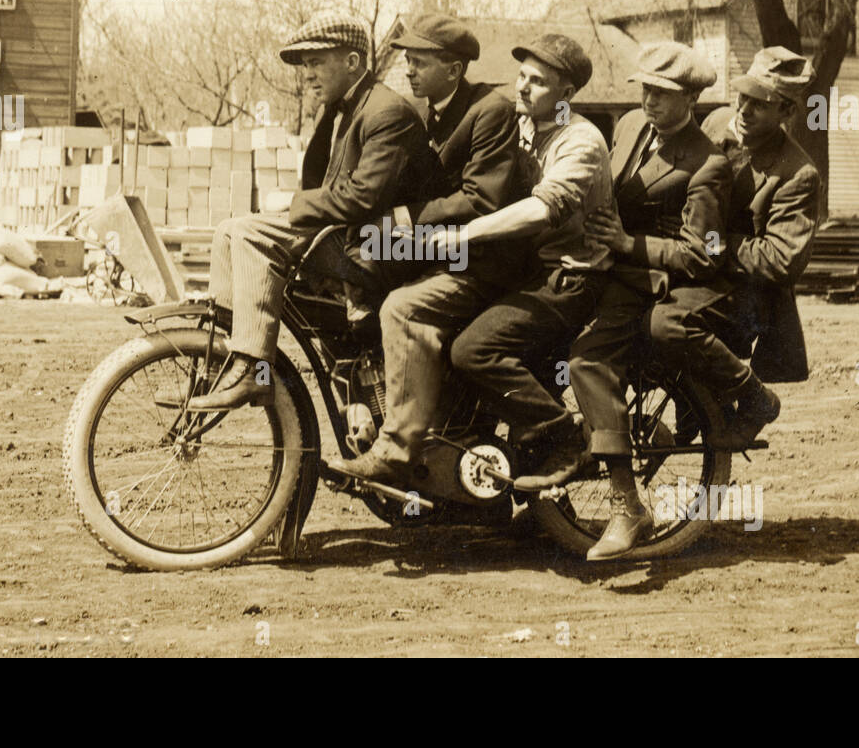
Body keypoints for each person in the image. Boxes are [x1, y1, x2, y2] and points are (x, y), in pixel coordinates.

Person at [328, 34, 614, 486]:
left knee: (473, 350)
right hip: (525, 270)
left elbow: (541, 208)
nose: (522, 87)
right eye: (521, 75)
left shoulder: (581, 140)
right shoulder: (521, 127)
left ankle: (562, 434)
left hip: (570, 275)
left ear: (567, 94)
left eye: (537, 82)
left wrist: (459, 235)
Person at [189, 12, 442, 411]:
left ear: (353, 62)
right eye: (304, 65)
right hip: (348, 238)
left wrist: (291, 205)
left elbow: (362, 198)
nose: (307, 75)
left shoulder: (387, 112)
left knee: (252, 236)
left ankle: (255, 370)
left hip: (383, 249)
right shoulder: (341, 109)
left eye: (315, 62)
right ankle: (220, 361)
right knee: (228, 230)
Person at [561, 41, 731, 561]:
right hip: (601, 264)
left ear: (692, 98)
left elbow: (700, 256)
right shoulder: (632, 128)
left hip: (647, 282)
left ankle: (626, 504)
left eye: (663, 93)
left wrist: (624, 245)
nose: (649, 101)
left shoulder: (707, 164)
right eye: (646, 90)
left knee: (586, 362)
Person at [649, 46, 820, 448]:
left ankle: (753, 398)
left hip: (745, 295)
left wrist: (712, 243)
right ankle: (701, 403)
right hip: (694, 266)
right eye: (742, 96)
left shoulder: (798, 174)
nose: (743, 110)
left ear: (786, 113)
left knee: (665, 323)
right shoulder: (716, 123)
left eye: (760, 104)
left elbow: (781, 260)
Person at [357, 14, 522, 291]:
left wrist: (399, 217)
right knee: (351, 257)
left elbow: (479, 199)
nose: (409, 70)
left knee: (370, 263)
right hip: (429, 239)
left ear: (454, 71)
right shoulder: (416, 109)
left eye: (418, 63)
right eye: (408, 60)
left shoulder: (490, 111)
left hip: (475, 252)